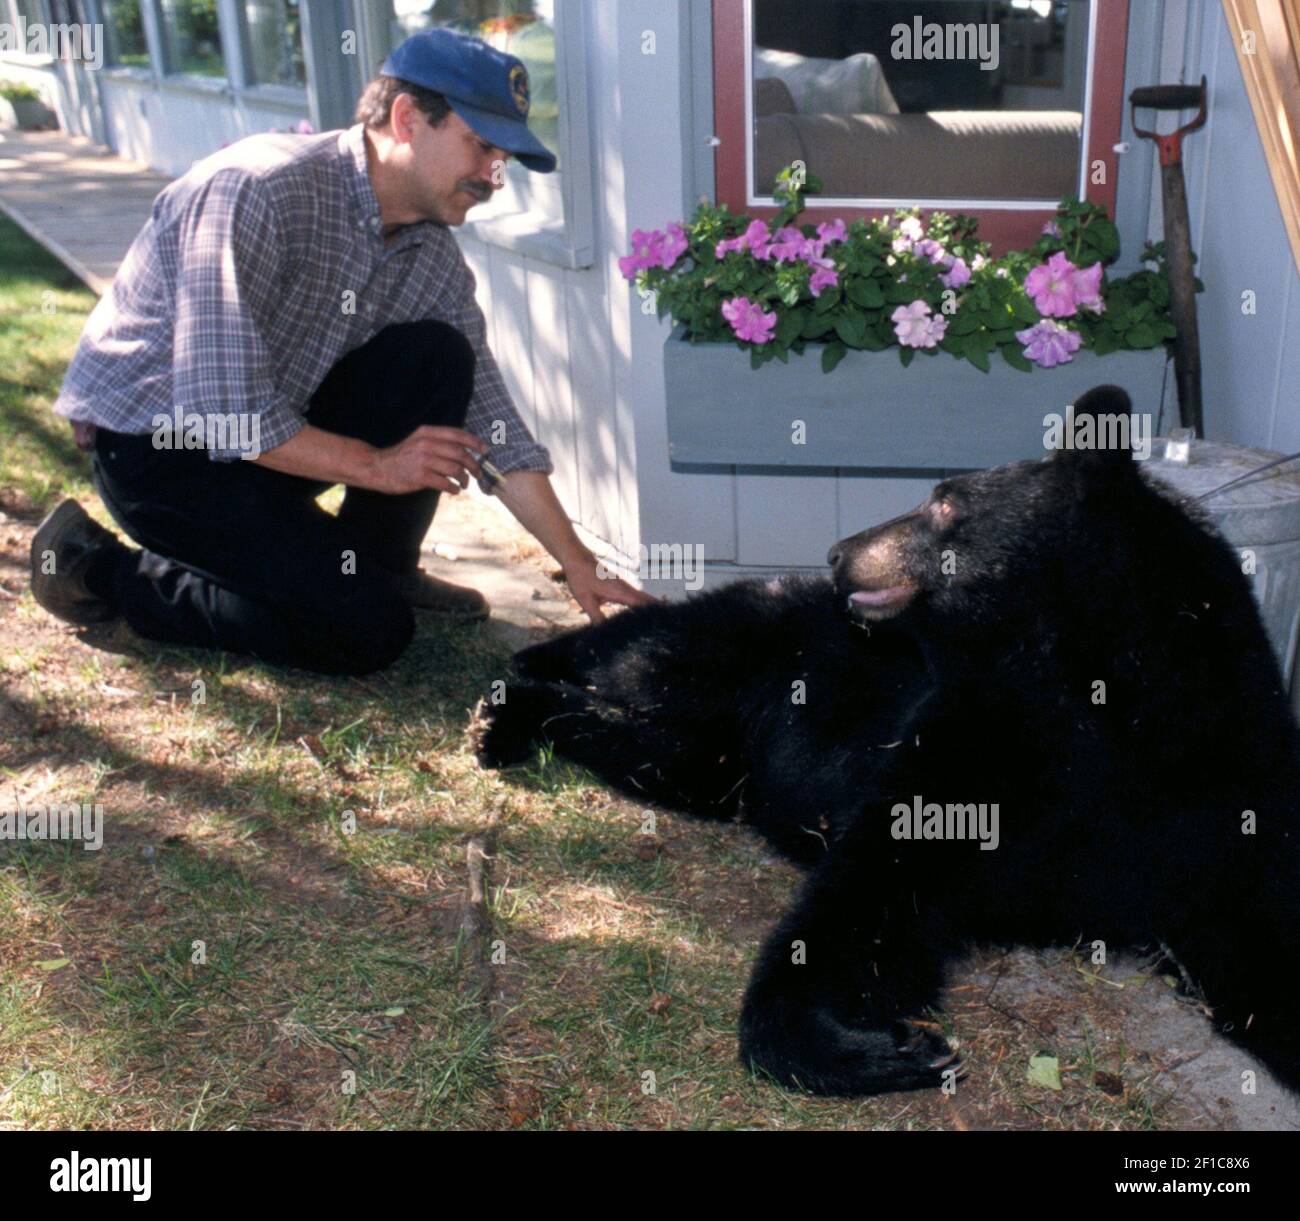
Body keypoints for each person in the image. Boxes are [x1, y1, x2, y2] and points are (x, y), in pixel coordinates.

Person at [31, 27, 652, 676]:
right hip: (159, 453)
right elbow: (221, 413)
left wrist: (581, 566)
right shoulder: (256, 190)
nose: (495, 176)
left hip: (269, 438)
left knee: (440, 357)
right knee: (366, 631)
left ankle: (378, 568)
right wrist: (379, 463)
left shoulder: (428, 249)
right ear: (408, 120)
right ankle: (97, 569)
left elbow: (494, 425)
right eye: (482, 146)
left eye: (505, 158)